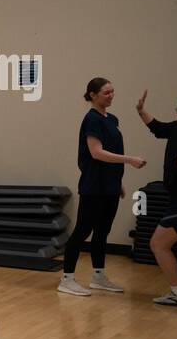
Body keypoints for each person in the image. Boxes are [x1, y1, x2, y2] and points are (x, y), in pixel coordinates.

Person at [58, 77, 146, 297]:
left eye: (112, 92)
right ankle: (67, 279)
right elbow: (96, 152)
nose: (111, 96)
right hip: (93, 186)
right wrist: (130, 160)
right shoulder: (92, 119)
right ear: (93, 95)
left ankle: (98, 277)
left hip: (110, 187)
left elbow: (110, 152)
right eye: (106, 93)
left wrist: (118, 182)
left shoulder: (112, 119)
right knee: (82, 231)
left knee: (102, 231)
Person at [137, 88, 177, 307]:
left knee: (158, 244)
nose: (175, 107)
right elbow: (157, 128)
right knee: (160, 244)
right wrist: (141, 111)